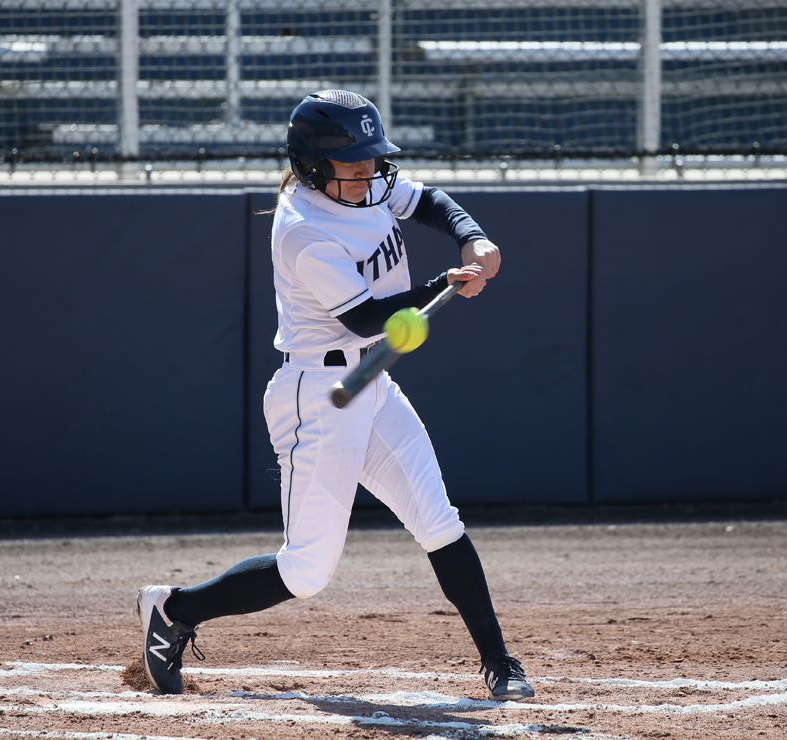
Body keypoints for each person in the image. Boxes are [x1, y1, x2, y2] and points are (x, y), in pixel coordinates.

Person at [137, 89, 534, 702]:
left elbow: (427, 200)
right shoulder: (303, 229)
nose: (370, 174)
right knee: (306, 571)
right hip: (319, 395)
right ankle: (175, 610)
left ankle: (499, 662)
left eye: (373, 160)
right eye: (353, 165)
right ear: (313, 169)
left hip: (370, 381)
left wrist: (472, 238)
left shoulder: (363, 185)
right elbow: (364, 317)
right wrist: (442, 283)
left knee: (438, 519)